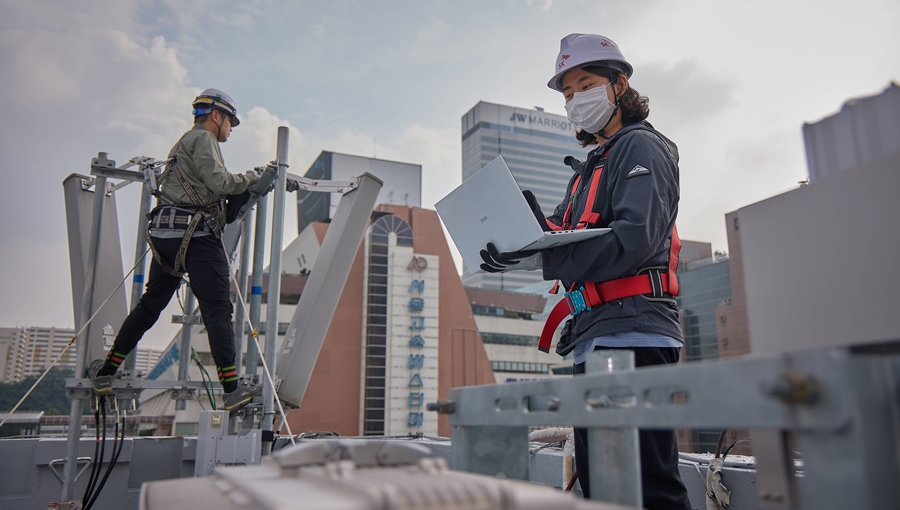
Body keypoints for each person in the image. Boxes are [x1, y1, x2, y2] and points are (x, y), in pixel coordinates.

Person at [480, 34, 691, 509]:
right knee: (605, 483)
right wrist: (516, 246)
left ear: (620, 85)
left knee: (646, 484)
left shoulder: (642, 147)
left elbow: (634, 239)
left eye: (587, 84)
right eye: (569, 92)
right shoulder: (590, 167)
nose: (576, 98)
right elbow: (561, 235)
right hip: (598, 334)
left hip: (633, 332)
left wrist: (548, 254)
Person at [88, 88, 263, 413]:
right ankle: (232, 389)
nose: (230, 129)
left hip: (166, 236)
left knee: (150, 305)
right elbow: (221, 183)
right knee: (217, 310)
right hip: (196, 236)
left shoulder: (183, 143)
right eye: (230, 122)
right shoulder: (204, 139)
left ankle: (106, 372)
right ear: (216, 116)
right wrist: (252, 178)